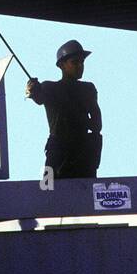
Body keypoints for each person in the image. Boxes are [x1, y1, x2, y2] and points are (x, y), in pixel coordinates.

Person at [25, 39, 103, 179]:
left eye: (82, 62)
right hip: (57, 150)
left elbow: (97, 125)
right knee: (47, 187)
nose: (80, 66)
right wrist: (32, 90)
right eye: (75, 62)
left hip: (82, 151)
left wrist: (75, 116)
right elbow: (38, 97)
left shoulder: (88, 89)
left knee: (86, 192)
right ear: (61, 65)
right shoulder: (50, 88)